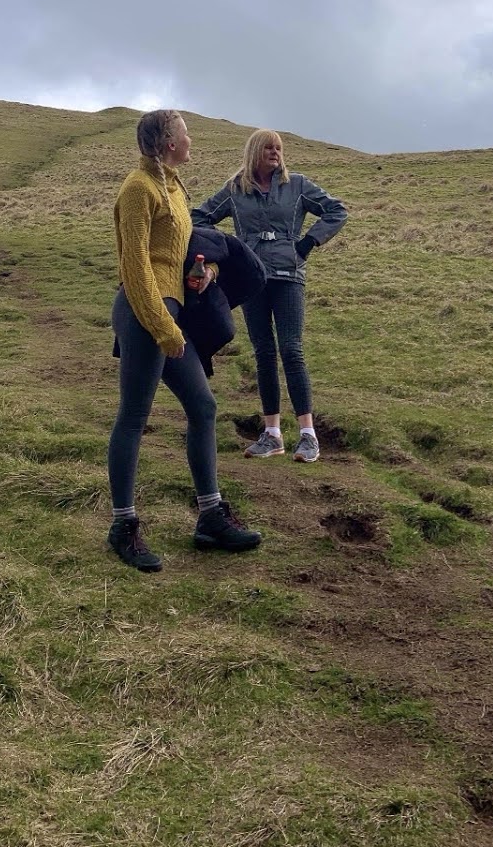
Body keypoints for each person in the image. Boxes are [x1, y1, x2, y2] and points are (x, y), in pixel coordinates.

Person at [108, 109, 263, 572]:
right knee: (134, 415)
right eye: (185, 134)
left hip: (171, 312)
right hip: (144, 312)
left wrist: (206, 269)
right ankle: (123, 526)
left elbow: (184, 247)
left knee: (203, 406)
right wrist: (162, 327)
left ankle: (210, 516)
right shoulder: (138, 188)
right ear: (168, 143)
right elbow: (135, 265)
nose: (191, 140)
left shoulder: (174, 187)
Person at [192, 128, 348, 464]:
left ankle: (308, 436)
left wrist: (308, 243)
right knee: (263, 352)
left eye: (278, 148)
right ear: (254, 152)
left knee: (291, 350)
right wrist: (228, 250)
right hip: (252, 277)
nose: (275, 152)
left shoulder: (298, 185)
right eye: (268, 148)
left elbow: (337, 210)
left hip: (289, 276)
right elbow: (198, 217)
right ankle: (272, 434)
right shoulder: (235, 189)